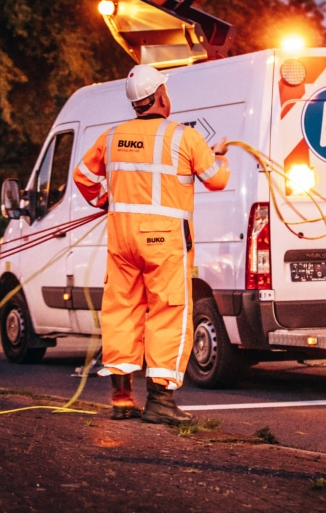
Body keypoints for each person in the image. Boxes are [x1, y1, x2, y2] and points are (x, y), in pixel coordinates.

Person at [73, 64, 230, 424]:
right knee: (168, 311)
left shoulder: (112, 137)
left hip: (122, 238)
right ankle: (160, 402)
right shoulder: (183, 137)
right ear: (161, 96)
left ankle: (122, 399)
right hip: (164, 240)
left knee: (121, 309)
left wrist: (104, 201)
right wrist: (219, 155)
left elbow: (82, 176)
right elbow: (217, 179)